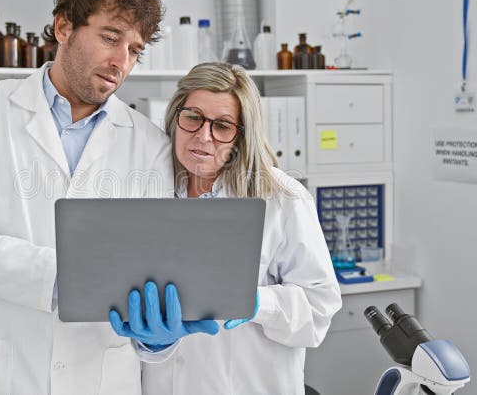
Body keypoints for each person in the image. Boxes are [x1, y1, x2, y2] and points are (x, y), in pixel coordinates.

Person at [0, 0, 209, 395]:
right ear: (63, 26)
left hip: (101, 378)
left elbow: (151, 268)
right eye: (110, 38)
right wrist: (61, 278)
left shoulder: (150, 145)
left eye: (134, 50)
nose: (120, 62)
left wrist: (155, 336)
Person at [132, 62, 342, 394]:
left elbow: (319, 308)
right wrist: (153, 342)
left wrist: (256, 302)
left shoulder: (281, 197)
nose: (203, 136)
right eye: (193, 118)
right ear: (175, 118)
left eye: (223, 126)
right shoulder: (143, 190)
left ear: (241, 136)